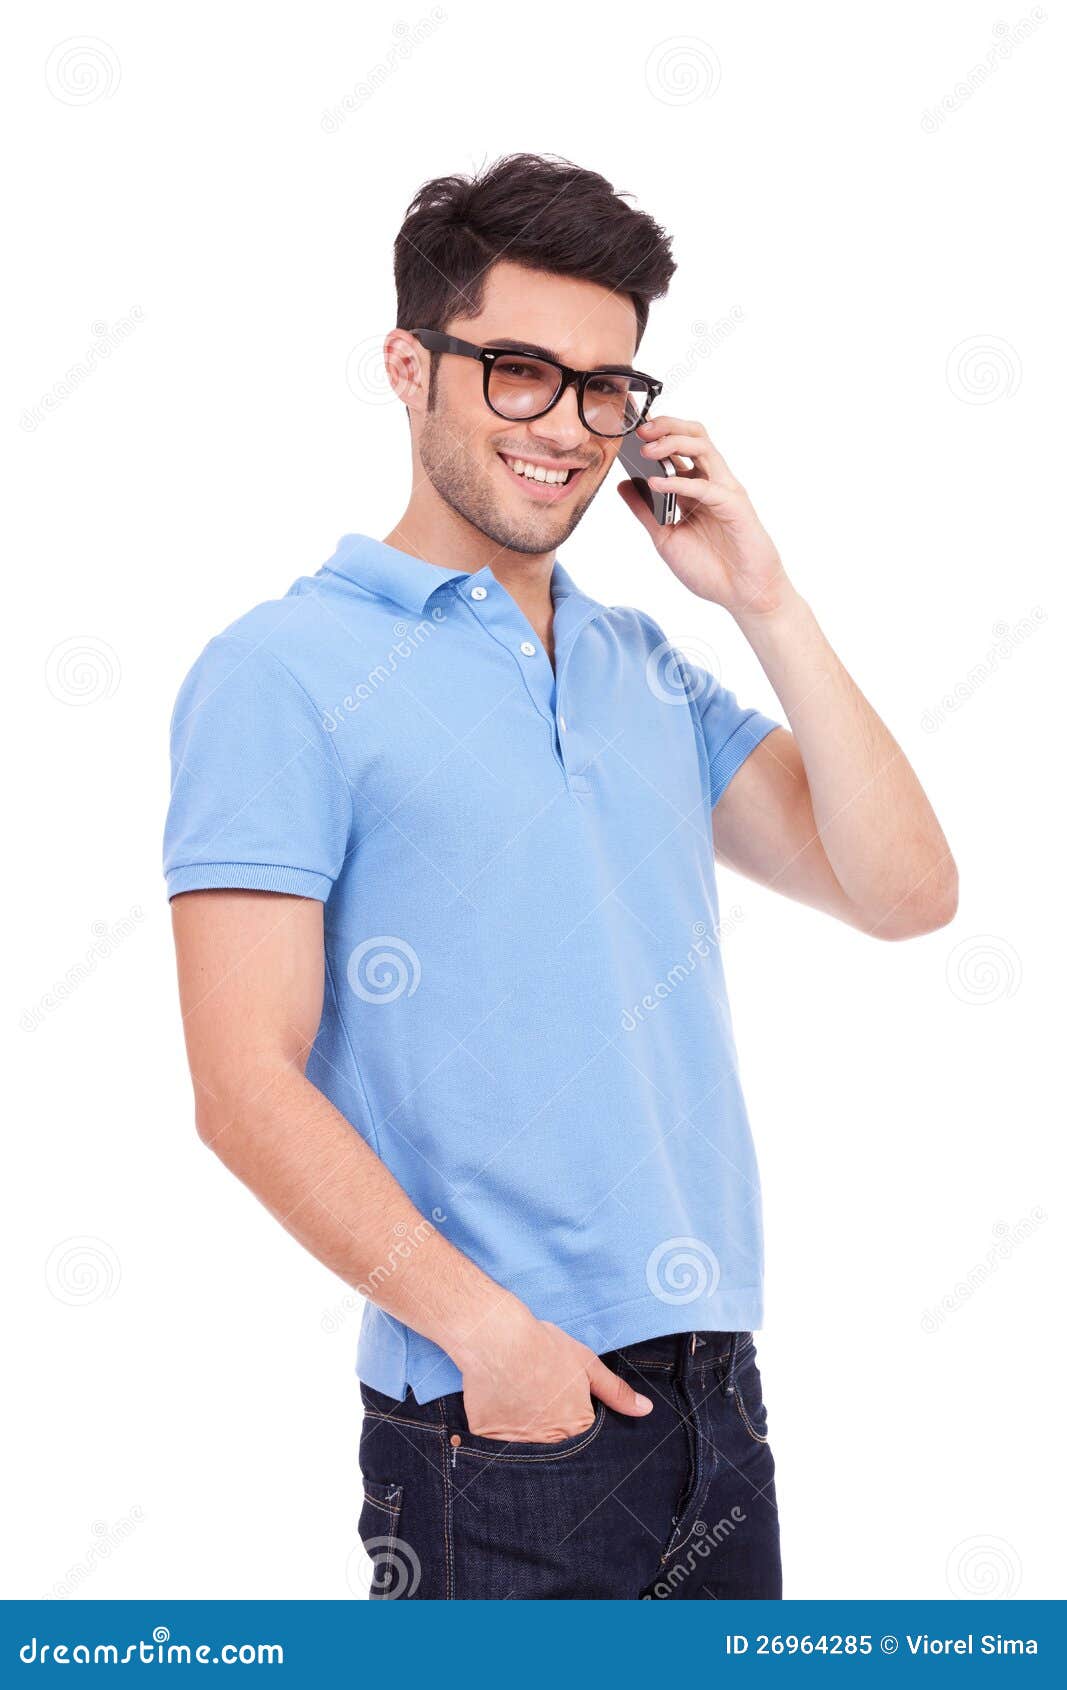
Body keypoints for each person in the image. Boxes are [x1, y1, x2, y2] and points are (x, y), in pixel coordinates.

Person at [163, 153, 957, 1600]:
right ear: (410, 367)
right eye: (520, 371)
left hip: (717, 1393)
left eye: (608, 386)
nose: (572, 427)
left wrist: (763, 600)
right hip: (500, 1421)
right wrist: (489, 1339)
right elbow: (241, 1080)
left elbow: (906, 891)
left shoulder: (643, 666)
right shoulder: (280, 672)